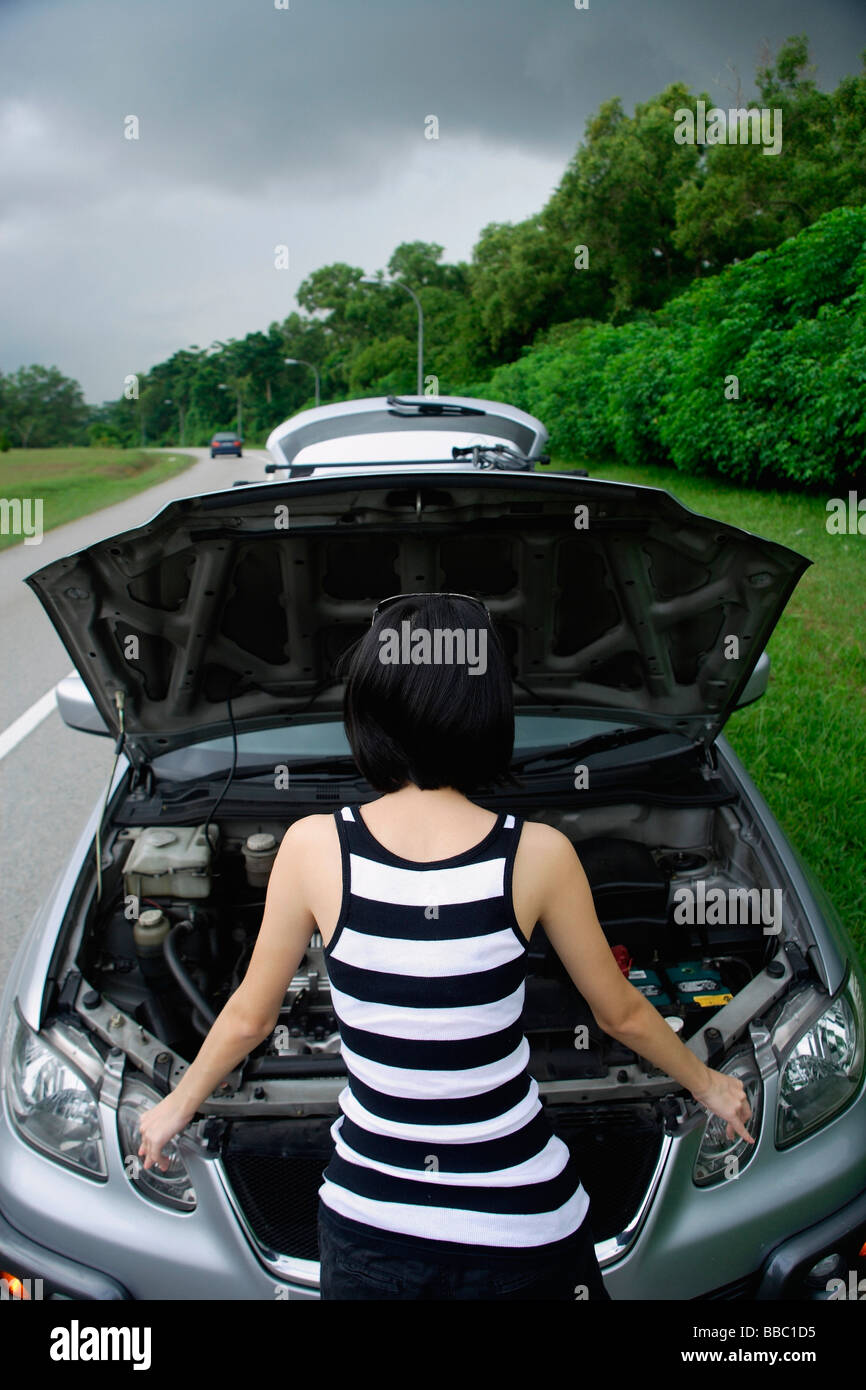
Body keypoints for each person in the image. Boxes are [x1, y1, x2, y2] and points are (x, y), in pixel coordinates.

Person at [137, 592, 754, 1301]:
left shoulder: (313, 849)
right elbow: (620, 1015)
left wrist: (176, 1104)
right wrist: (710, 1085)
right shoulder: (537, 856)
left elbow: (250, 1016)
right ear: (487, 712)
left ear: (370, 705)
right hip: (523, 1231)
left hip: (372, 1234)